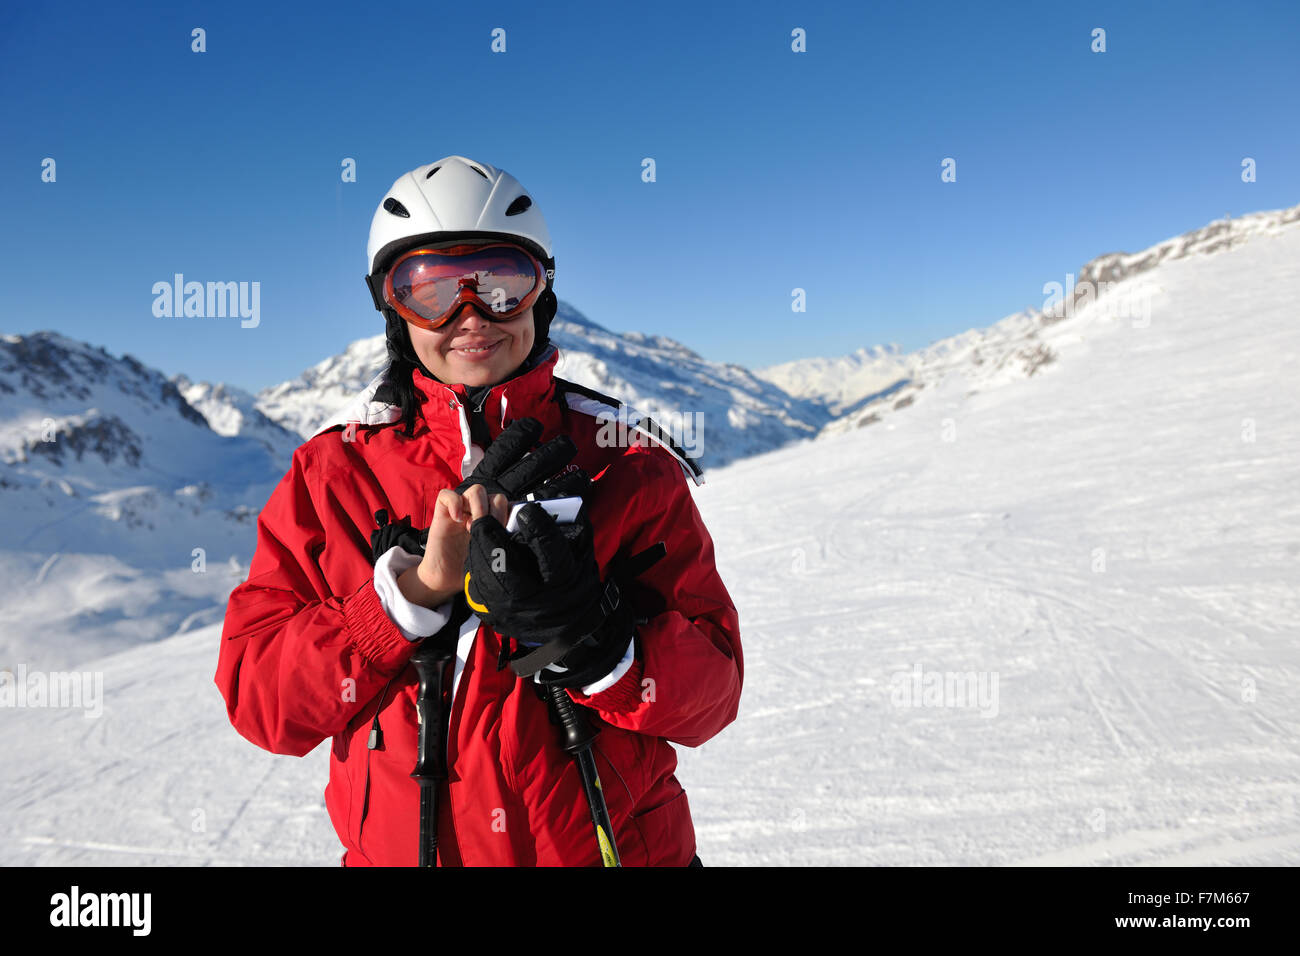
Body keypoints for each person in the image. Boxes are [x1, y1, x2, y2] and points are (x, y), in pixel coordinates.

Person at [215, 155, 743, 866]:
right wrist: (408, 596)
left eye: (501, 283)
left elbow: (713, 695)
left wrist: (592, 638)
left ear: (541, 293)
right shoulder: (333, 476)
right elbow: (263, 705)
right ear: (393, 311)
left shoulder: (625, 463)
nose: (470, 316)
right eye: (429, 290)